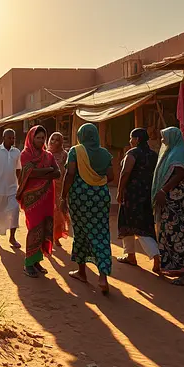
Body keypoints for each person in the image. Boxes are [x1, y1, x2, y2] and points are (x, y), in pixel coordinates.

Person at [62, 123, 114, 295]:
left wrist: (63, 196)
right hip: (101, 197)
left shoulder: (75, 151)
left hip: (80, 198)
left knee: (81, 233)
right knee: (101, 234)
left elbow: (70, 174)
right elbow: (111, 176)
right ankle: (103, 277)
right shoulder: (105, 153)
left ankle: (82, 272)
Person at [152, 127, 184, 287]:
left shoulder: (178, 154)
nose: (162, 141)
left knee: (180, 236)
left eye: (164, 138)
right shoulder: (173, 152)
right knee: (172, 236)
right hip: (173, 204)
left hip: (180, 205)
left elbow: (180, 174)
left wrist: (163, 190)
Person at [17, 126, 62, 278]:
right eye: (38, 138)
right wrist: (46, 171)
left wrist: (40, 172)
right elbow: (29, 173)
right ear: (31, 138)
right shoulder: (25, 154)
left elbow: (58, 172)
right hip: (32, 199)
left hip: (47, 198)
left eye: (43, 138)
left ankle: (37, 261)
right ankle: (28, 263)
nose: (41, 140)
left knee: (43, 230)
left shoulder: (48, 155)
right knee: (34, 228)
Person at [115, 128, 160, 272]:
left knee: (131, 223)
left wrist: (120, 190)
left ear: (137, 139)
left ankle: (152, 255)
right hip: (146, 193)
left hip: (132, 195)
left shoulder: (132, 153)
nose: (130, 141)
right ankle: (131, 255)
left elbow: (125, 172)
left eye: (131, 138)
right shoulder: (153, 155)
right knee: (143, 224)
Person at [0, 128, 22, 248]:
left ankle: (12, 238)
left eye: (13, 138)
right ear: (3, 138)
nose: (12, 140)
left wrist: (20, 185)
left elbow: (18, 170)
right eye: (9, 137)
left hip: (12, 188)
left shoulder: (17, 152)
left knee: (15, 210)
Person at [47, 132, 71, 246]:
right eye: (52, 139)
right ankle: (49, 236)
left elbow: (67, 171)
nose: (54, 142)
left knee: (59, 213)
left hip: (60, 187)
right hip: (47, 187)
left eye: (57, 140)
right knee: (49, 212)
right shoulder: (46, 154)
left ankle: (56, 236)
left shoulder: (64, 154)